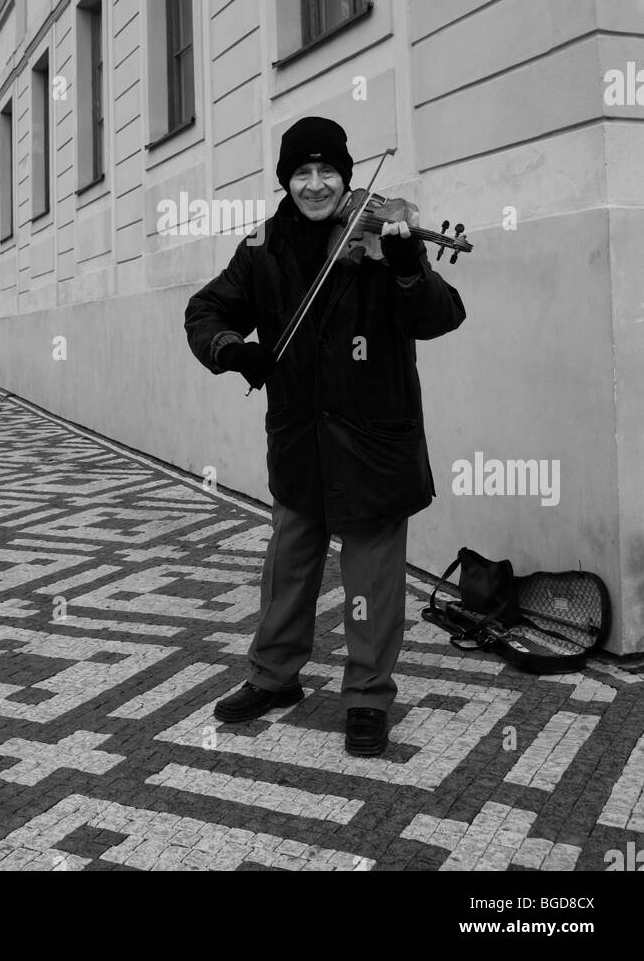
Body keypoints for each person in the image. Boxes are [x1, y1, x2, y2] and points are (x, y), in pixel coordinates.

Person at [183, 116, 466, 756]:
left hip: (373, 439)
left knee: (371, 578)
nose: (316, 185)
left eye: (328, 173)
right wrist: (231, 350)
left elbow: (441, 317)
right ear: (287, 180)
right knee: (288, 567)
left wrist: (406, 267)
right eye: (302, 173)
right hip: (299, 438)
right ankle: (275, 678)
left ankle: (367, 698)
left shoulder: (385, 238)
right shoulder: (262, 245)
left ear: (346, 176)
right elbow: (207, 310)